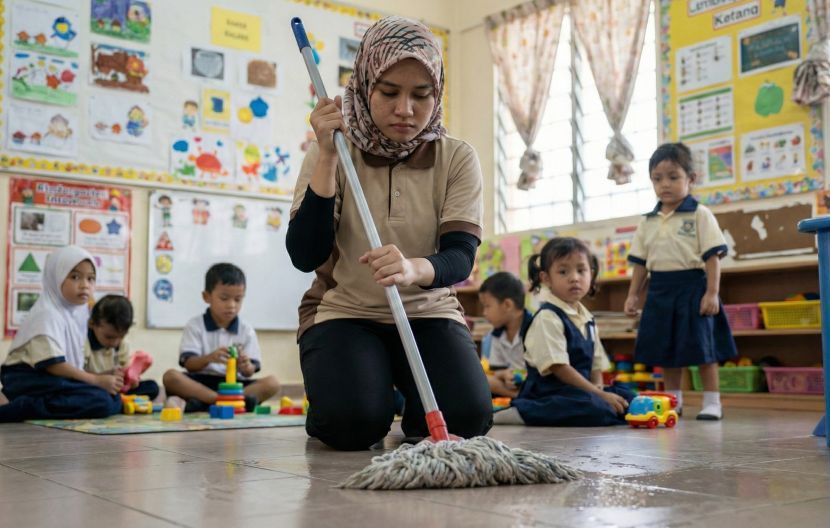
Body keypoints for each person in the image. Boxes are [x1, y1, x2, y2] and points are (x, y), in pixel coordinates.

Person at [286, 16, 492, 450]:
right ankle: (360, 387)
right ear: (363, 86)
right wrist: (327, 158)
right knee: (351, 425)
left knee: (468, 417)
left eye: (422, 95)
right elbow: (305, 254)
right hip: (345, 312)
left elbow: (460, 257)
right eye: (389, 92)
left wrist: (412, 267)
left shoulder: (456, 158)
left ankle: (402, 394)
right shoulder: (331, 151)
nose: (406, 110)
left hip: (428, 310)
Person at [624, 142, 737, 420]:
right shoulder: (647, 221)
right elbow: (640, 264)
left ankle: (712, 403)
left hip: (693, 288)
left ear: (691, 179)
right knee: (666, 350)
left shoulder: (700, 214)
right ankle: (672, 401)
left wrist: (712, 293)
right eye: (657, 179)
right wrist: (632, 295)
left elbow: (713, 258)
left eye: (673, 177)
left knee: (703, 348)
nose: (665, 185)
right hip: (660, 290)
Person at [496, 238, 635, 426]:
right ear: (546, 278)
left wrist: (599, 388)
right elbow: (559, 368)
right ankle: (521, 413)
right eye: (563, 272)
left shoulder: (587, 319)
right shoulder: (547, 317)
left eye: (581, 270)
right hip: (551, 395)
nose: (574, 278)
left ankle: (612, 408)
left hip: (581, 392)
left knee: (627, 395)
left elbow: (595, 365)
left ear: (591, 274)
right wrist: (599, 395)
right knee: (594, 407)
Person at [0, 245, 122, 421]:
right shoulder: (47, 313)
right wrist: (95, 380)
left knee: (112, 396)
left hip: (52, 379)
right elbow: (54, 365)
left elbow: (70, 367)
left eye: (90, 279)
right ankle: (19, 407)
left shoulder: (77, 314)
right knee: (101, 400)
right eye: (75, 277)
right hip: (27, 379)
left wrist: (101, 377)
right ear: (56, 278)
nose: (85, 285)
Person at [162, 263, 279, 412]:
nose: (231, 305)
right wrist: (209, 358)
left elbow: (250, 370)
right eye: (224, 298)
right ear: (207, 297)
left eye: (238, 299)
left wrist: (246, 366)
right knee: (170, 377)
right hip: (202, 384)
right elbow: (189, 364)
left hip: (234, 386)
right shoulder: (195, 325)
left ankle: (207, 403)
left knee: (272, 383)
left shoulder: (246, 330)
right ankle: (225, 402)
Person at [85, 294, 159, 400]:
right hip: (93, 386)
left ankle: (118, 401)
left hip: (115, 389)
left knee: (152, 387)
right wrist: (102, 377)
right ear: (91, 323)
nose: (115, 343)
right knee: (93, 395)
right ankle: (118, 401)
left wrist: (130, 381)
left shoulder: (122, 345)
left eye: (121, 337)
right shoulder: (84, 343)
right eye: (109, 337)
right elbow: (76, 374)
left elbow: (124, 370)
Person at [478, 272, 532, 397]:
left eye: (487, 306)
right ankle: (520, 396)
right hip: (511, 384)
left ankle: (523, 397)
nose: (484, 313)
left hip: (534, 383)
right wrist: (504, 374)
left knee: (487, 383)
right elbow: (497, 371)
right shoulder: (496, 334)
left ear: (507, 305)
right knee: (483, 380)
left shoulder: (534, 328)